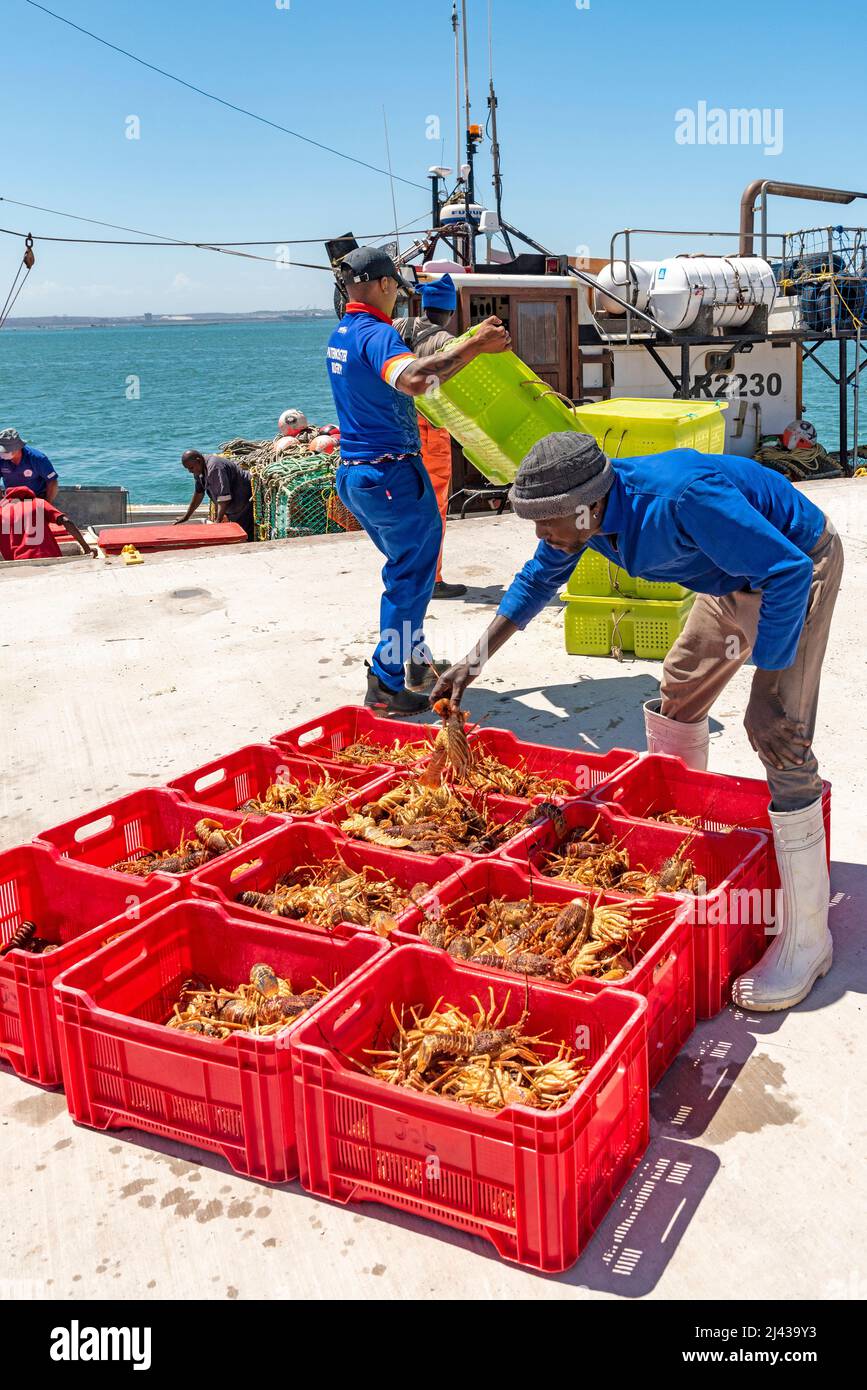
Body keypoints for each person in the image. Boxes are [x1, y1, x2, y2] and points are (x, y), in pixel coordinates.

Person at [433, 432, 844, 1013]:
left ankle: (808, 940)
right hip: (729, 577)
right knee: (678, 697)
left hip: (796, 567)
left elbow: (787, 570)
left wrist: (765, 688)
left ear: (588, 507)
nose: (539, 534)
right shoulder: (584, 515)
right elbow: (538, 578)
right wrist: (471, 662)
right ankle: (679, 844)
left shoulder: (682, 499)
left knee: (780, 735)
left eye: (545, 522)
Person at [326, 244, 510, 714]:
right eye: (396, 290)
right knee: (409, 579)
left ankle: (413, 659)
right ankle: (385, 682)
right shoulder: (376, 333)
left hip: (355, 474)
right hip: (391, 476)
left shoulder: (341, 333)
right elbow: (415, 382)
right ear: (386, 285)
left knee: (409, 571)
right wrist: (474, 344)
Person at [394, 274, 466, 598]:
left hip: (398, 430)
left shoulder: (399, 328)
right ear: (450, 311)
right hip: (430, 430)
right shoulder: (444, 341)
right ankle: (432, 580)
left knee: (405, 507)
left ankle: (406, 574)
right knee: (434, 508)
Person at [175, 450, 255, 540]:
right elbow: (199, 493)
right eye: (188, 469)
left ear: (199, 461)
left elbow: (224, 499)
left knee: (246, 535)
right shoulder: (198, 470)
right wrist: (187, 516)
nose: (190, 471)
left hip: (245, 501)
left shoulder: (214, 467)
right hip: (233, 508)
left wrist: (217, 522)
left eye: (191, 468)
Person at [0, 485, 94, 561]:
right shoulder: (38, 502)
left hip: (18, 562)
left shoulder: (2, 510)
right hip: (50, 557)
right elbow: (66, 522)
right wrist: (87, 548)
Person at [0, 428, 59, 503]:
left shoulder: (37, 458)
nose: (2, 453)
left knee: (38, 514)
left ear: (17, 448)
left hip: (37, 498)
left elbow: (52, 481)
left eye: (4, 451)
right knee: (8, 513)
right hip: (12, 498)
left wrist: (47, 503)